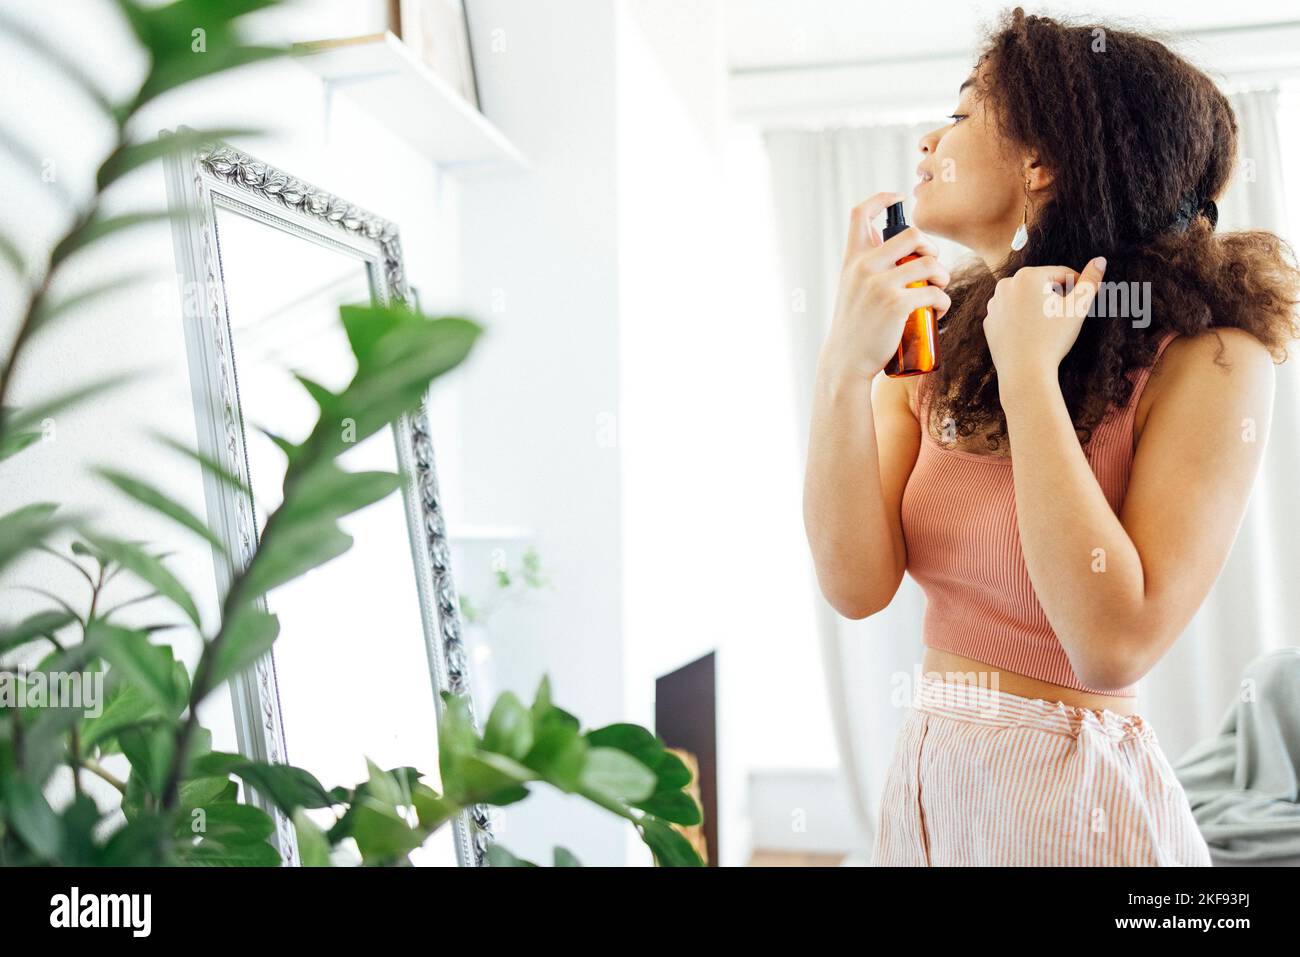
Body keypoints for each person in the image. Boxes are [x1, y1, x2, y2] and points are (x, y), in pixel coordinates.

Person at [802, 7, 1300, 866]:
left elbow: (1112, 644)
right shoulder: (940, 336)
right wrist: (843, 369)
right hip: (932, 780)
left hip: (1080, 808)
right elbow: (855, 584)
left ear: (1042, 160)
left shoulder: (1214, 354)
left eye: (961, 117)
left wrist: (1030, 376)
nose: (929, 138)